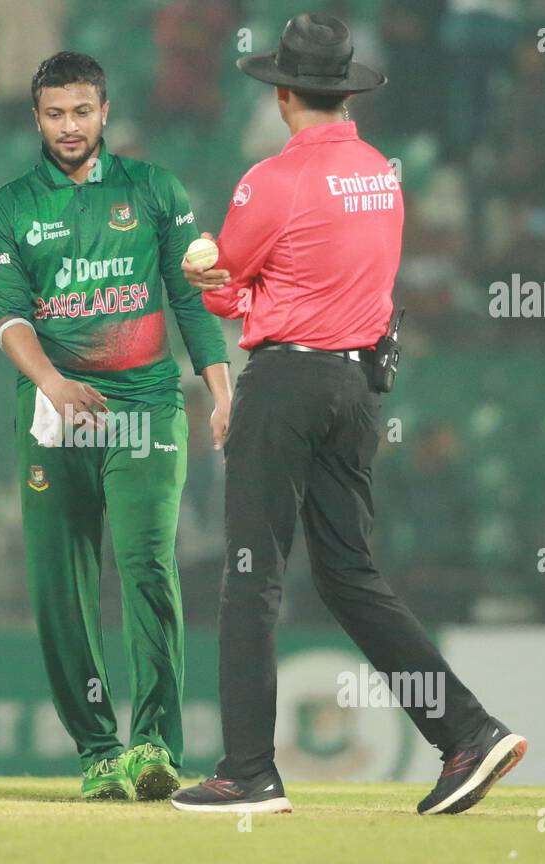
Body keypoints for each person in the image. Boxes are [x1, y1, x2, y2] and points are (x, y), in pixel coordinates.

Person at [171, 13, 526, 815]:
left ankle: (248, 771)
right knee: (348, 574)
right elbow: (332, 275)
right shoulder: (382, 174)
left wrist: (206, 273)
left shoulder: (270, 179)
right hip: (356, 391)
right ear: (344, 93)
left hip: (285, 382)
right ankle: (466, 730)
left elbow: (228, 288)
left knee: (252, 577)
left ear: (285, 93)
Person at [0, 52, 233, 800]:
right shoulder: (9, 206)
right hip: (54, 414)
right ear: (37, 119)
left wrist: (219, 390)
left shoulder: (155, 191)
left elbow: (191, 302)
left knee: (148, 564)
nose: (69, 126)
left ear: (105, 113)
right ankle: (97, 750)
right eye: (55, 114)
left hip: (145, 410)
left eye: (81, 111)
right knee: (62, 585)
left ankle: (154, 743)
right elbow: (9, 318)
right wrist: (53, 383)